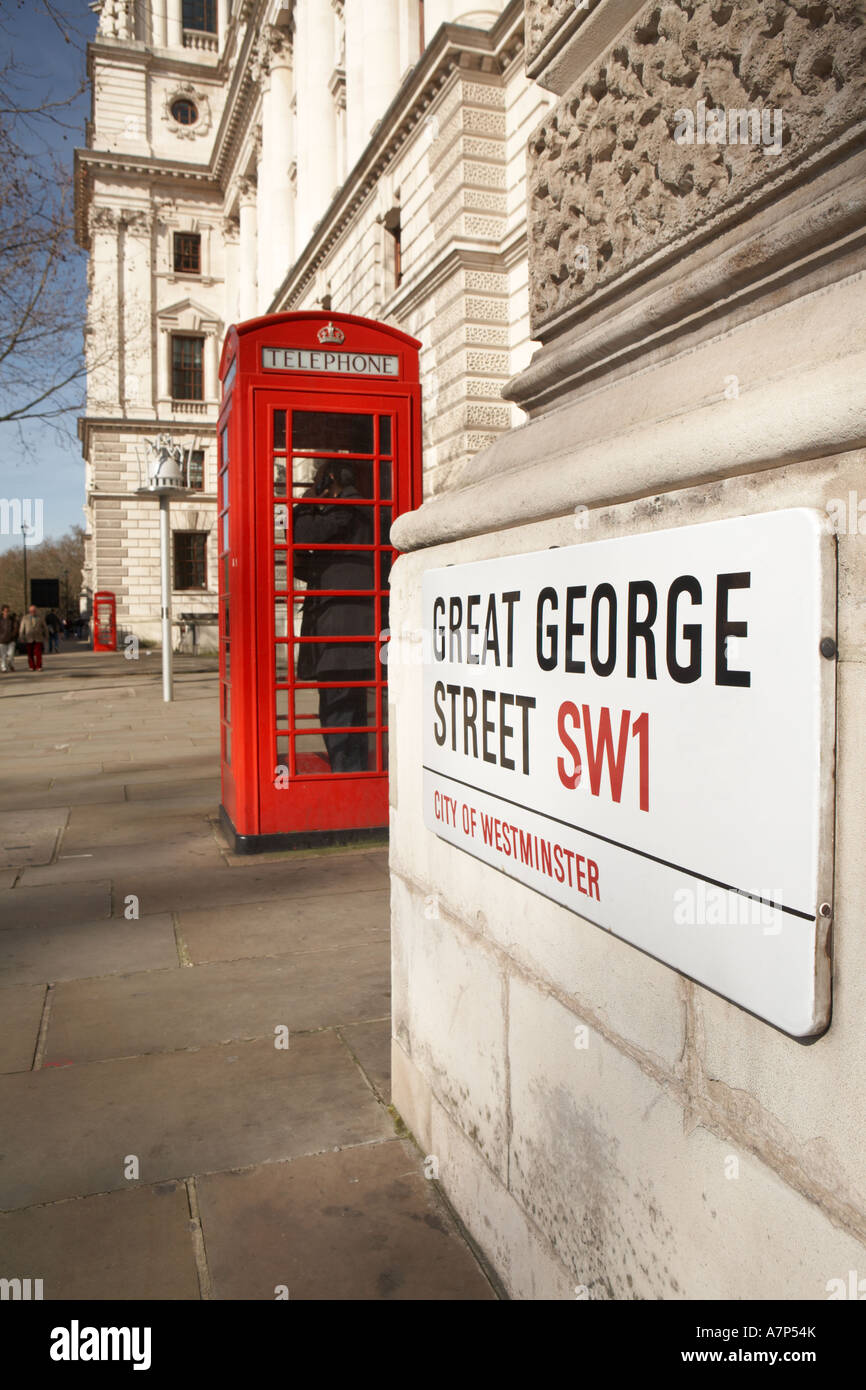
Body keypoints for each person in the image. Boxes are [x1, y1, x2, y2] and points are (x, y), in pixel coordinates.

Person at [292, 462, 375, 773]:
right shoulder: (370, 512)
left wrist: (311, 496)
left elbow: (298, 533)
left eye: (318, 479)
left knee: (336, 708)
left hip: (335, 628)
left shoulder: (337, 514)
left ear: (328, 479)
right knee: (355, 706)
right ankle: (359, 772)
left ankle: (345, 773)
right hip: (366, 625)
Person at [19, 605, 49, 671]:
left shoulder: (40, 618)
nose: (33, 612)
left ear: (36, 611)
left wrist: (47, 636)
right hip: (29, 638)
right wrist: (21, 637)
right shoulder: (25, 618)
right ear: (29, 611)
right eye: (31, 611)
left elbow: (45, 627)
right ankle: (32, 666)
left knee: (38, 654)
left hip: (38, 638)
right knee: (30, 654)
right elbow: (22, 628)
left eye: (34, 610)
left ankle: (39, 666)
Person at [0, 606, 18, 672]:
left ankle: (10, 664)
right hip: (2, 640)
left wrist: (13, 635)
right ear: (2, 611)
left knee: (11, 654)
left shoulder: (12, 619)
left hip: (11, 639)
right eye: (5, 611)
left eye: (8, 611)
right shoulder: (0, 619)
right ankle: (3, 667)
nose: (7, 613)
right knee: (3, 655)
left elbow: (15, 627)